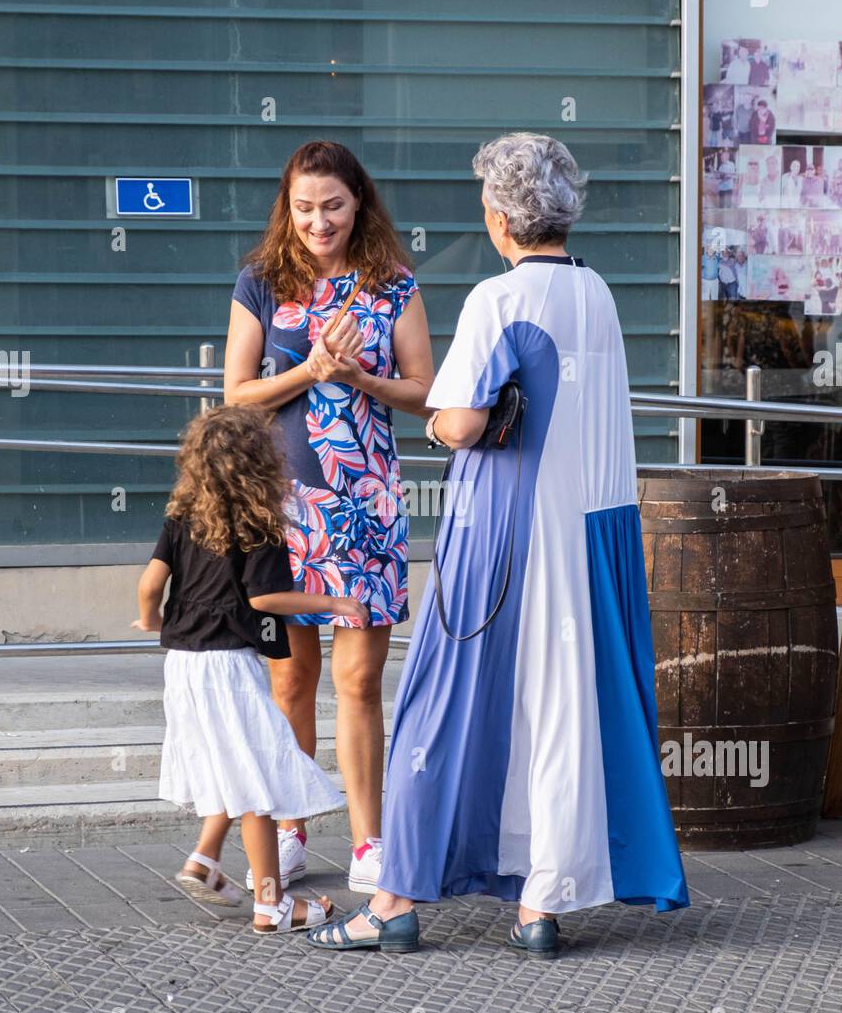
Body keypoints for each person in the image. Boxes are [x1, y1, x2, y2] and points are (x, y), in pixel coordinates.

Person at [307, 132, 689, 958]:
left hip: (504, 540)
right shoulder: (600, 295)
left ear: (499, 216)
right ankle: (539, 906)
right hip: (591, 540)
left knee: (435, 711)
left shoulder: (495, 301)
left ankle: (394, 901)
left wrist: (435, 416)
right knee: (559, 716)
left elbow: (461, 421)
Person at [220, 141, 434, 898]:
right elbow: (235, 395)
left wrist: (359, 377)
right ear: (288, 208)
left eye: (334, 206)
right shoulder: (260, 283)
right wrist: (309, 371)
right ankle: (292, 827)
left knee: (361, 680)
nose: (319, 221)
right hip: (278, 511)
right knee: (291, 682)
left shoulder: (392, 285)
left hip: (364, 505)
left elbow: (424, 392)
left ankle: (371, 842)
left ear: (360, 204)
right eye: (305, 208)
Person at [134, 405, 369, 933]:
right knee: (258, 780)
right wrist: (333, 604)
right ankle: (272, 904)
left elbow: (150, 585)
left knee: (229, 764)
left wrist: (150, 619)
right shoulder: (259, 527)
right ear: (260, 464)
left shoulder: (181, 521)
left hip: (182, 665)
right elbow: (265, 600)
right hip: (228, 668)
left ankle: (205, 858)